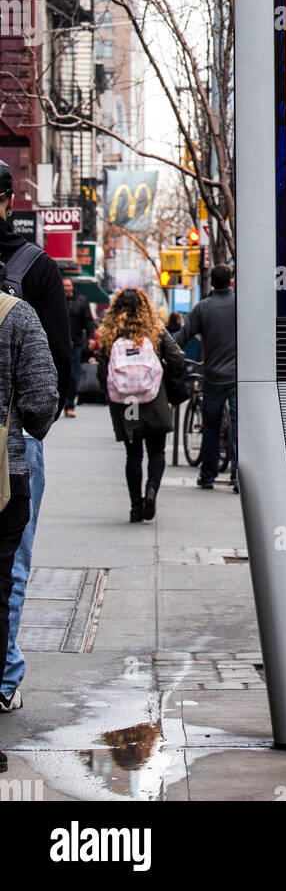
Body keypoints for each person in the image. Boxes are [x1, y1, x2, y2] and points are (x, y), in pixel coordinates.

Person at [0, 158, 70, 718]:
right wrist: (31, 429)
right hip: (12, 444)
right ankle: (3, 677)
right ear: (9, 202)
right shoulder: (36, 268)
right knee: (13, 562)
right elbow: (55, 377)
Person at [0, 274, 59, 772]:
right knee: (3, 583)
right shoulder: (16, 316)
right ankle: (2, 681)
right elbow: (40, 405)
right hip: (4, 478)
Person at [96, 288, 185, 522]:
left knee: (133, 453)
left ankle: (136, 507)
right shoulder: (155, 331)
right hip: (153, 398)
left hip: (129, 402)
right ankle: (151, 491)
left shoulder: (109, 334)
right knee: (156, 450)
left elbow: (101, 371)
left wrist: (111, 391)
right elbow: (177, 357)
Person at [174, 264, 237, 492]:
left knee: (211, 427)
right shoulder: (241, 305)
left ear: (211, 282)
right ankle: (238, 476)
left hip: (213, 377)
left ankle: (208, 475)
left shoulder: (203, 308)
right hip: (238, 378)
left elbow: (181, 338)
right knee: (239, 427)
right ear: (231, 281)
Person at [62, 277, 96, 417]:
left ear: (72, 286)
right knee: (58, 374)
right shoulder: (56, 299)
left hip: (75, 343)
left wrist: (91, 338)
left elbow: (89, 321)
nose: (66, 288)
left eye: (68, 285)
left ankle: (70, 406)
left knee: (74, 375)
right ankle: (58, 405)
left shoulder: (82, 301)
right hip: (59, 343)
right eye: (63, 285)